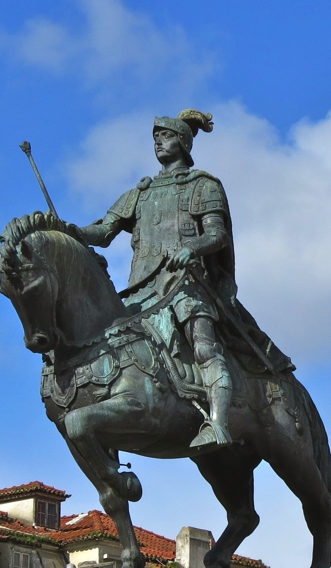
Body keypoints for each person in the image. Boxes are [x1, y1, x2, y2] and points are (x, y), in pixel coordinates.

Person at [76, 109, 241, 448]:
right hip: (140, 291)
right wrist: (70, 231)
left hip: (184, 285)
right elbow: (105, 231)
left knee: (204, 346)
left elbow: (218, 234)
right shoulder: (141, 192)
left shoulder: (202, 185)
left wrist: (193, 246)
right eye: (155, 139)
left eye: (165, 137)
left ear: (182, 141)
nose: (158, 144)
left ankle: (219, 423)